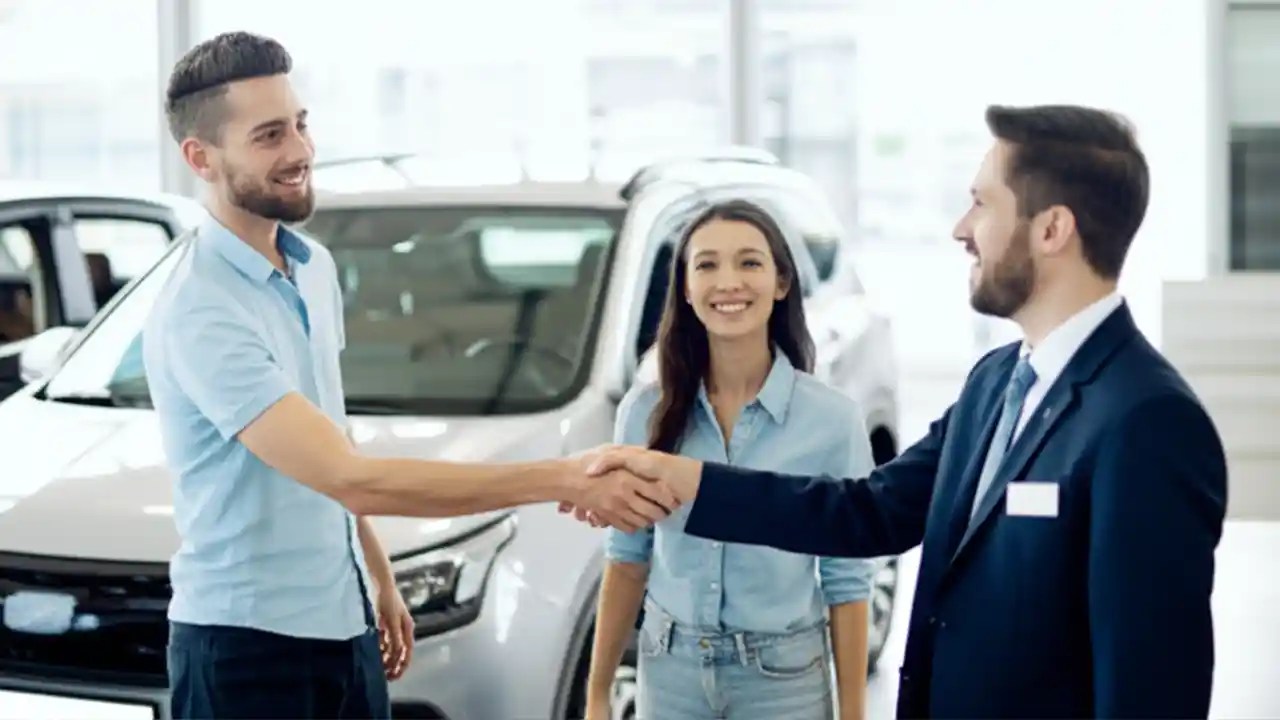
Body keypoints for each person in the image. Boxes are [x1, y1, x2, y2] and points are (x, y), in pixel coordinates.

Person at [577, 104, 1228, 719]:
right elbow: (869, 512)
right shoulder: (997, 381)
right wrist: (687, 481)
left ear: (1052, 229)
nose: (960, 229)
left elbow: (1150, 691)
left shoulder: (1147, 421)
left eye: (981, 203)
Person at [145, 32, 674, 719]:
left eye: (301, 125)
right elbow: (350, 476)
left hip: (342, 624)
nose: (301, 151)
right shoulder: (201, 307)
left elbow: (328, 447)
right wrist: (564, 477)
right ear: (201, 158)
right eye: (269, 135)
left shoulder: (309, 267)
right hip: (247, 649)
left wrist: (375, 575)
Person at [583, 200, 874, 720]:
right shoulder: (645, 412)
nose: (728, 282)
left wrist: (854, 711)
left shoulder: (832, 421)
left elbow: (846, 581)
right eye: (707, 265)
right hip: (668, 670)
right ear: (687, 288)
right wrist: (597, 694)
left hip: (784, 679)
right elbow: (627, 557)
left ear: (781, 283)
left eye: (750, 263)